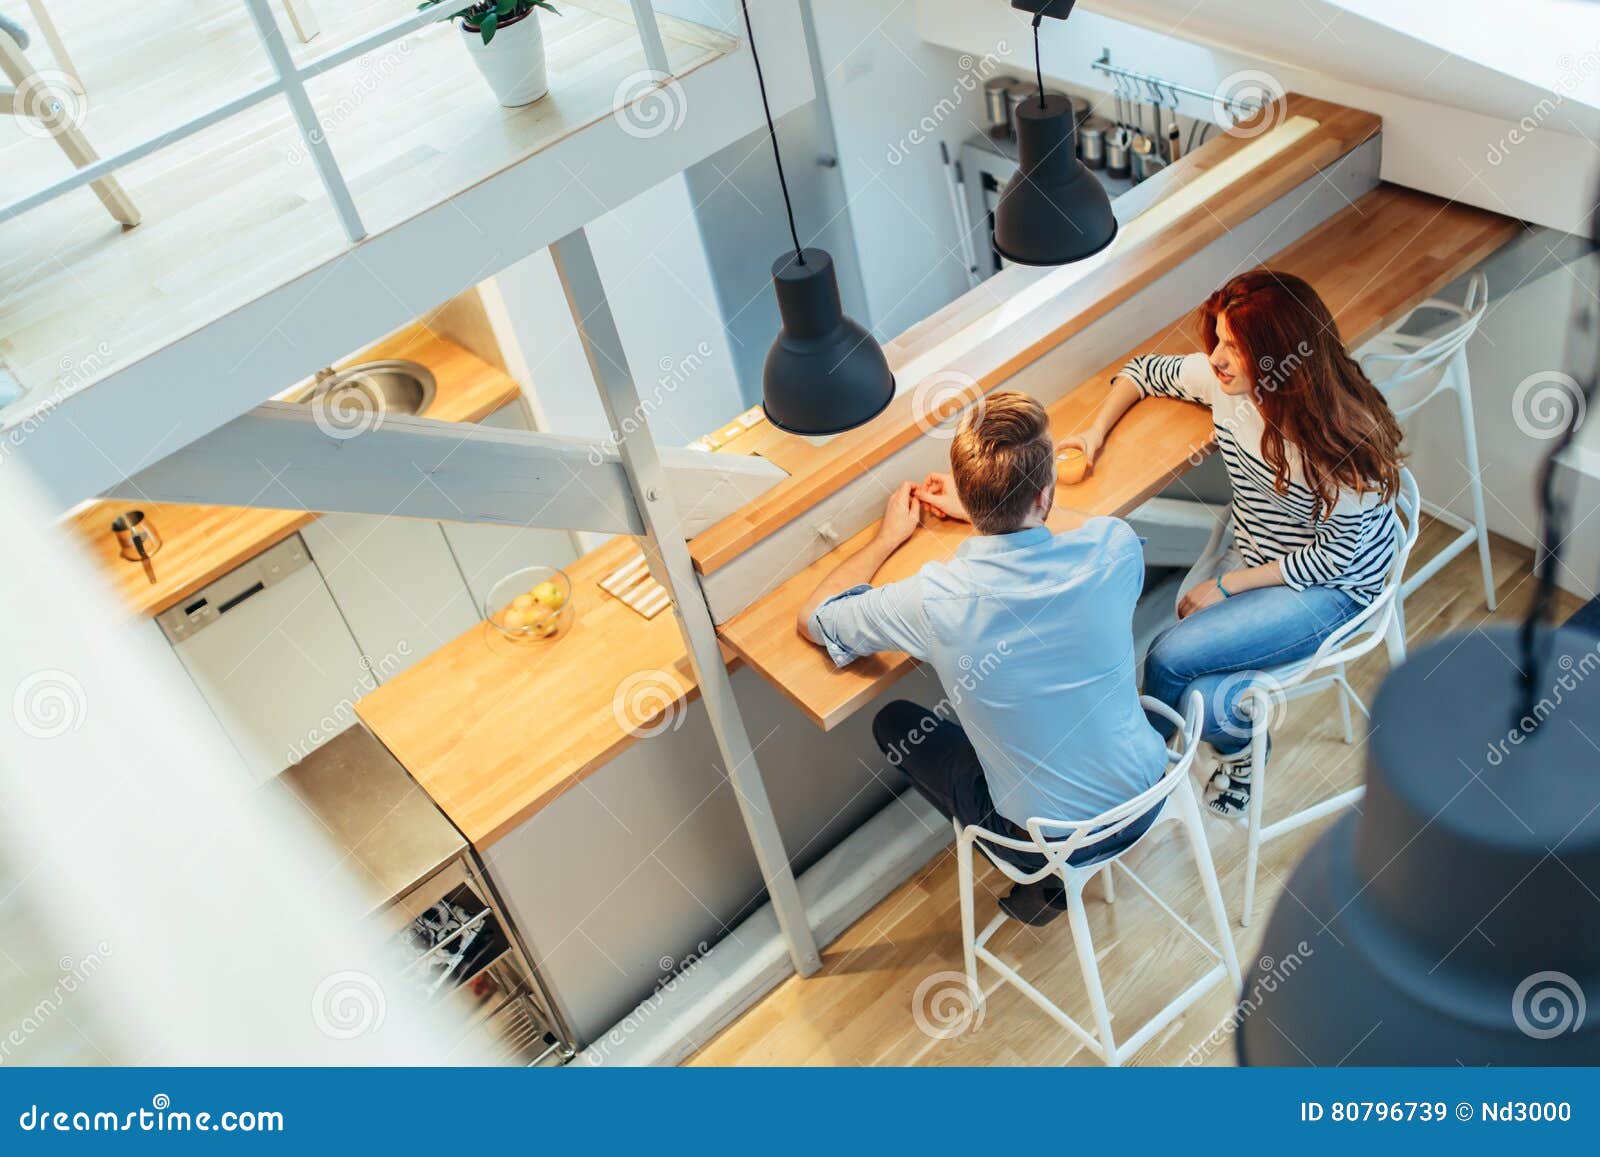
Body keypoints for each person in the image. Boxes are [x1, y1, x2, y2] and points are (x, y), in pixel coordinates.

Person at [797, 391, 1169, 926]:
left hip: (1054, 844)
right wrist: (1011, 505)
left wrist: (887, 539)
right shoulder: (1115, 546)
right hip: (1149, 792)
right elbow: (1067, 527)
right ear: (1045, 494)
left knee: (896, 722)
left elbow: (815, 619)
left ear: (969, 501)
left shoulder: (935, 600)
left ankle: (1044, 879)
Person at [1060, 269, 1404, 818]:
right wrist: (1095, 432)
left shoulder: (1337, 441)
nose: (1216, 358)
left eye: (1235, 348)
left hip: (1333, 585)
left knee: (1168, 659)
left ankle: (1124, 797)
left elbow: (1334, 558)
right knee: (1204, 694)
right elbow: (1143, 371)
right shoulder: (1229, 389)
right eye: (1218, 339)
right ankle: (1243, 745)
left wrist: (1227, 584)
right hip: (1261, 552)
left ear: (1280, 357)